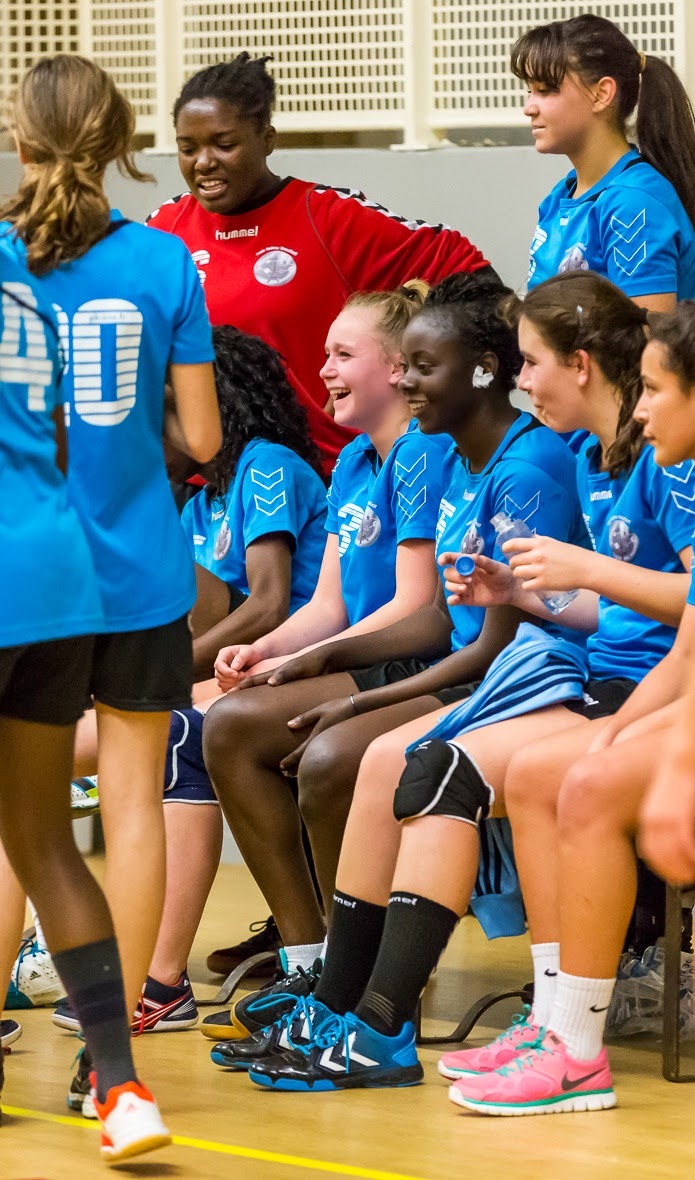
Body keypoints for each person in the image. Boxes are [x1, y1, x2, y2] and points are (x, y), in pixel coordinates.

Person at [229, 271, 695, 1093]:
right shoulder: (591, 454)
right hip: (597, 670)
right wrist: (521, 590)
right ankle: (362, 1008)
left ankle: (411, 1023)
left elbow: (673, 606)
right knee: (403, 763)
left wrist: (581, 583)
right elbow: (608, 607)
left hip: (622, 682)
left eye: (529, 362)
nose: (521, 380)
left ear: (579, 364)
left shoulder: (619, 462)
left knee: (443, 767)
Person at [204, 268, 587, 1053]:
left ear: (480, 370)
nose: (407, 382)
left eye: (417, 366)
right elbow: (429, 611)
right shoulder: (411, 461)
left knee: (336, 755)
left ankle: (372, 999)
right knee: (233, 726)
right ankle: (324, 972)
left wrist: (341, 688)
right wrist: (292, 657)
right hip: (468, 662)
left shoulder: (495, 463)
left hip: (507, 677)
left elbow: (470, 636)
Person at [0, 53, 221, 1110]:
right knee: (133, 806)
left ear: (21, 140)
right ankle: (109, 1061)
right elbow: (205, 437)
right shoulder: (166, 260)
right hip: (139, 568)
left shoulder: (4, 257)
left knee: (19, 819)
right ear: (123, 141)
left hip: (27, 571)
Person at [448, 301, 695, 1117]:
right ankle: (553, 1023)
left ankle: (577, 1055)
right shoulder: (639, 462)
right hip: (660, 693)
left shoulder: (669, 475)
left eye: (653, 389)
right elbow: (687, 655)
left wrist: (658, 759)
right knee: (538, 772)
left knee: (588, 785)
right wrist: (615, 735)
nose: (640, 407)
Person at [0, 251, 170, 1161]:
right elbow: (62, 439)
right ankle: (120, 1088)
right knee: (44, 841)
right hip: (57, 568)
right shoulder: (22, 285)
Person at [146, 52, 493, 472]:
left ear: (267, 139)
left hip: (318, 475)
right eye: (188, 148)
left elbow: (465, 267)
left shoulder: (327, 216)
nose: (203, 162)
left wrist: (425, 385)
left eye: (225, 144)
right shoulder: (165, 228)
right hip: (206, 485)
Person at [519, 13, 695, 307]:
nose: (529, 108)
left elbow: (648, 334)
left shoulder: (633, 203)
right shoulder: (557, 198)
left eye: (546, 90)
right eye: (529, 91)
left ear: (601, 94)